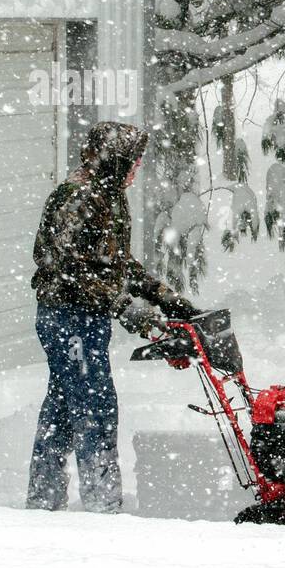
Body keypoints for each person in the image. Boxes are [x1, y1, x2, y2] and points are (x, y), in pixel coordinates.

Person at [26, 121, 198, 513]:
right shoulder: (78, 198)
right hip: (66, 317)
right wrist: (125, 307)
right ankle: (102, 509)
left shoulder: (110, 195)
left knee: (64, 409)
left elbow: (114, 264)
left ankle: (43, 501)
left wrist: (164, 298)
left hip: (88, 317)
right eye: (133, 163)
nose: (137, 170)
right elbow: (70, 268)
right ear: (115, 162)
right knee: (95, 408)